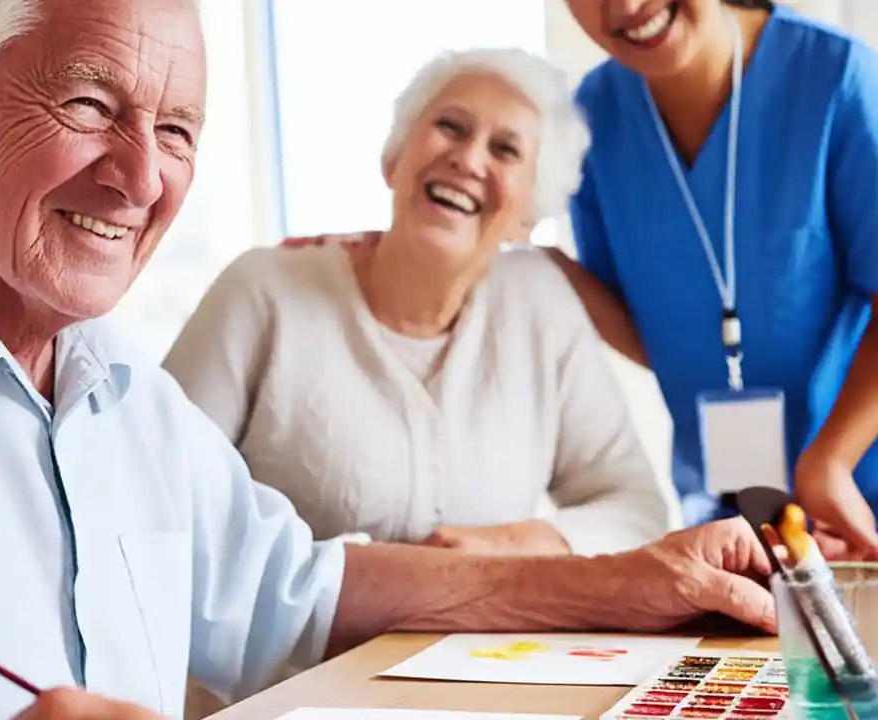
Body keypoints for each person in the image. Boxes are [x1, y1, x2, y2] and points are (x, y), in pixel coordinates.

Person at [0, 1, 774, 718]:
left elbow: (296, 595)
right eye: (89, 104)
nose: (139, 177)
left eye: (174, 131)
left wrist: (621, 583)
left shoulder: (114, 384)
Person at [164, 48, 672, 557]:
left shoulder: (542, 305)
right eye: (451, 127)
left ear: (529, 215)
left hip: (480, 639)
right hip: (293, 638)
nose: (469, 159)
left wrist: (513, 544)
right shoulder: (261, 291)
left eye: (506, 150)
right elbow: (153, 496)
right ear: (394, 158)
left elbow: (635, 508)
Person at [555, 0, 878, 554]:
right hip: (736, 517)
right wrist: (529, 258)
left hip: (857, 501)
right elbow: (645, 326)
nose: (628, 7)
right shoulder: (590, 117)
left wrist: (830, 460)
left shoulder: (835, 78)